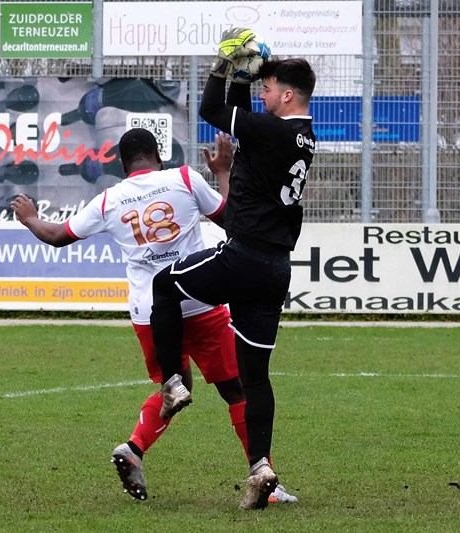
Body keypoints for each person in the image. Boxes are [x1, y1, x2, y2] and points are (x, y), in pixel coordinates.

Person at [10, 128, 298, 505]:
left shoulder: (108, 200)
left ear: (121, 164)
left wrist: (31, 218)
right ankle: (266, 481)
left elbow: (58, 235)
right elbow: (233, 220)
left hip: (149, 313)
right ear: (158, 154)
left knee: (175, 387)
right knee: (237, 390)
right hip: (199, 300)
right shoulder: (183, 178)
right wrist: (224, 171)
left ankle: (134, 448)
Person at [149, 28, 317, 510]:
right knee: (255, 377)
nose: (262, 95)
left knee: (165, 285)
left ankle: (172, 383)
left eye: (267, 89)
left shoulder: (273, 130)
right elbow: (238, 120)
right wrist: (246, 77)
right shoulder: (302, 134)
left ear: (287, 95)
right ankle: (261, 467)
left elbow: (210, 113)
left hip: (243, 256)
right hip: (274, 269)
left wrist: (224, 67)